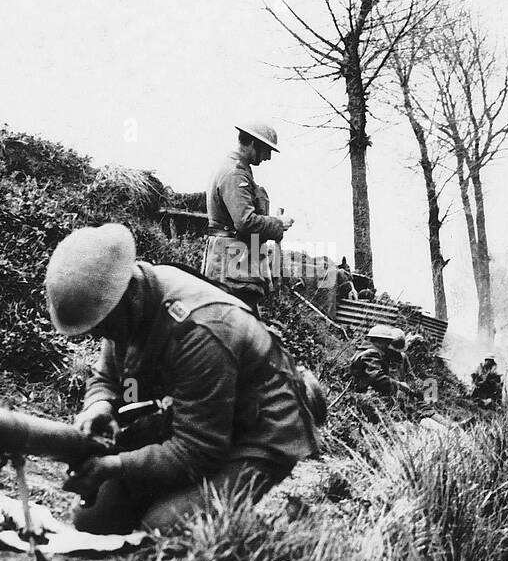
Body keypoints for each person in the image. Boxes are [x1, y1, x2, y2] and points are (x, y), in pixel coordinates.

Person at [45, 223, 320, 533]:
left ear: (126, 297)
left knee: (164, 526)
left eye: (100, 327)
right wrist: (101, 407)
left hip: (260, 431)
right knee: (95, 518)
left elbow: (198, 450)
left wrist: (117, 465)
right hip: (203, 419)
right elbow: (111, 379)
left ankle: (275, 529)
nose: (100, 336)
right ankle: (201, 500)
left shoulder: (200, 329)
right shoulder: (123, 306)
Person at [203, 122, 294, 313]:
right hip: (231, 262)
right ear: (252, 143)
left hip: (230, 259)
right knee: (235, 323)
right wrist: (278, 224)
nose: (268, 157)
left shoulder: (233, 168)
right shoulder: (235, 174)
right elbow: (245, 221)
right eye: (266, 150)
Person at [348, 324, 417, 402]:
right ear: (379, 341)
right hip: (365, 397)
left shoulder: (363, 351)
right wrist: (399, 385)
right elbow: (376, 377)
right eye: (386, 343)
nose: (387, 346)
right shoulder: (371, 353)